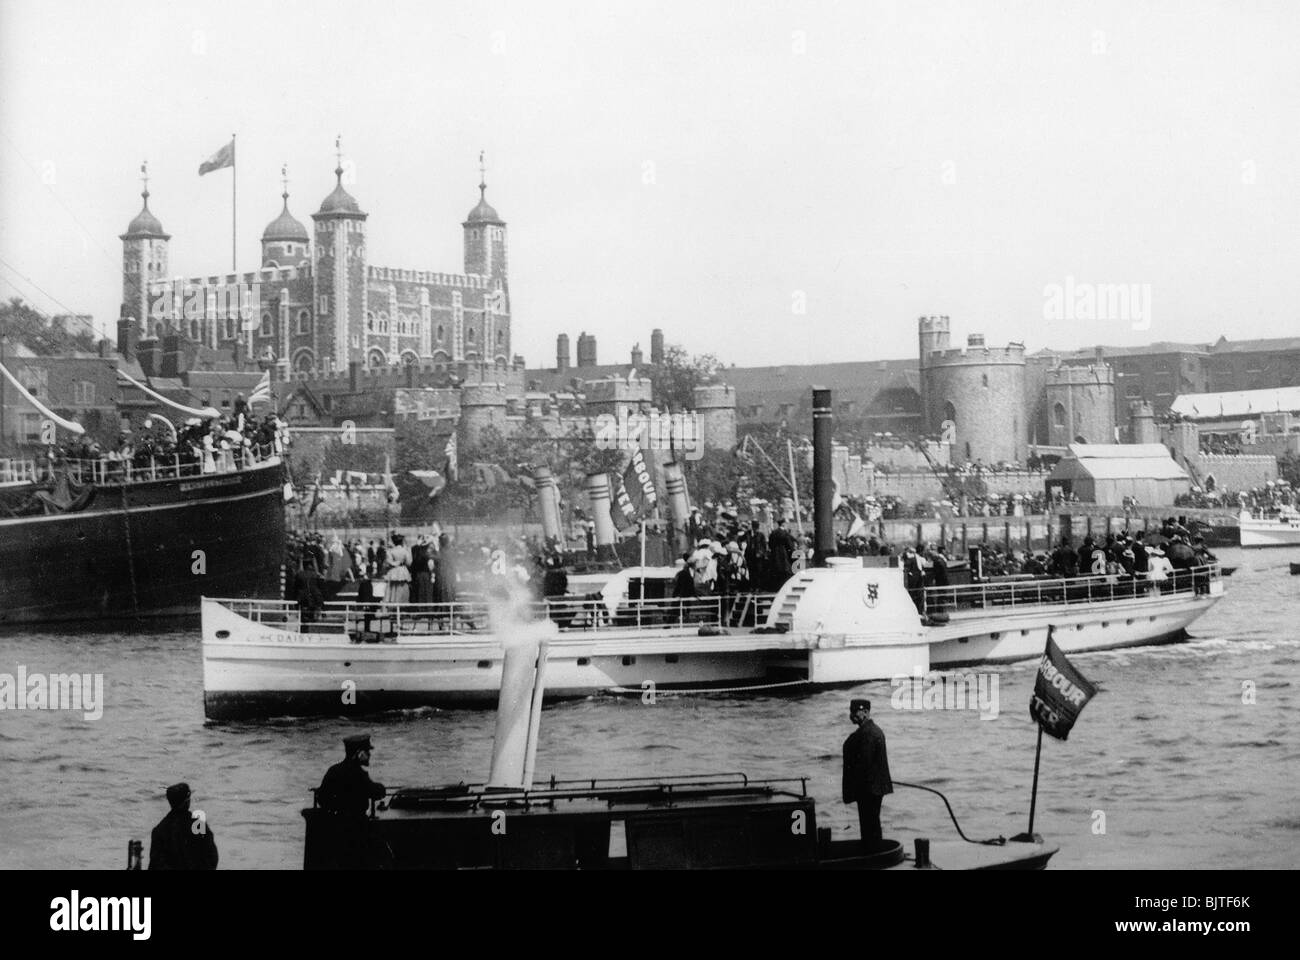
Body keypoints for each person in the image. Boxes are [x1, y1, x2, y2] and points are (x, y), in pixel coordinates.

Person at [315, 735, 389, 869]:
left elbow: (322, 798)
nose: (369, 755)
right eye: (367, 752)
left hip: (336, 829)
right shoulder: (358, 775)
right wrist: (381, 788)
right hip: (357, 830)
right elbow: (376, 792)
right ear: (359, 754)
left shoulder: (334, 771)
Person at [842, 699, 892, 852]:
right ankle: (874, 851)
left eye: (855, 712)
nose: (852, 715)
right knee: (871, 822)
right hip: (873, 787)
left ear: (865, 712)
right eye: (851, 712)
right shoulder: (872, 731)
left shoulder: (869, 733)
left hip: (869, 788)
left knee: (869, 823)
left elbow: (864, 763)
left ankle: (873, 853)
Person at [148, 782, 218, 870]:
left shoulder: (159, 830)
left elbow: (155, 864)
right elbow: (211, 857)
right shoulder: (198, 824)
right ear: (187, 801)